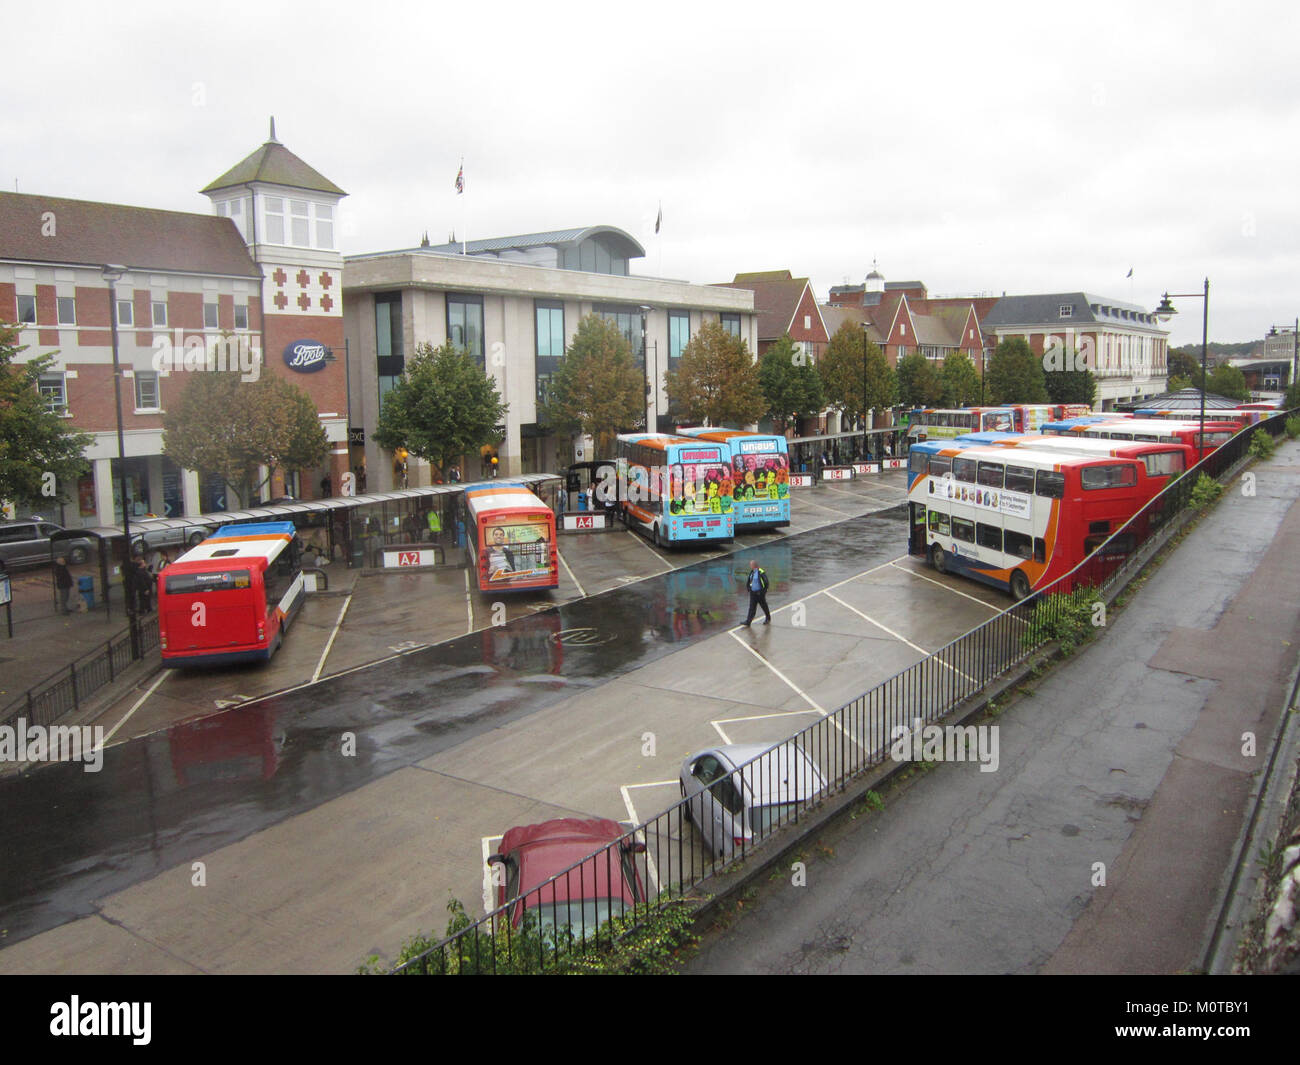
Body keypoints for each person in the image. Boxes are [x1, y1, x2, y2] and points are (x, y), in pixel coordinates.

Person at [741, 559, 771, 627]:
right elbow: (749, 580)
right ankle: (748, 621)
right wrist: (749, 588)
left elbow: (766, 582)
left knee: (764, 606)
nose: (750, 566)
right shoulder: (752, 572)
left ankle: (768, 618)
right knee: (752, 608)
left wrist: (763, 592)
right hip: (753, 593)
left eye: (750, 565)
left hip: (760, 593)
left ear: (753, 565)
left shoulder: (761, 572)